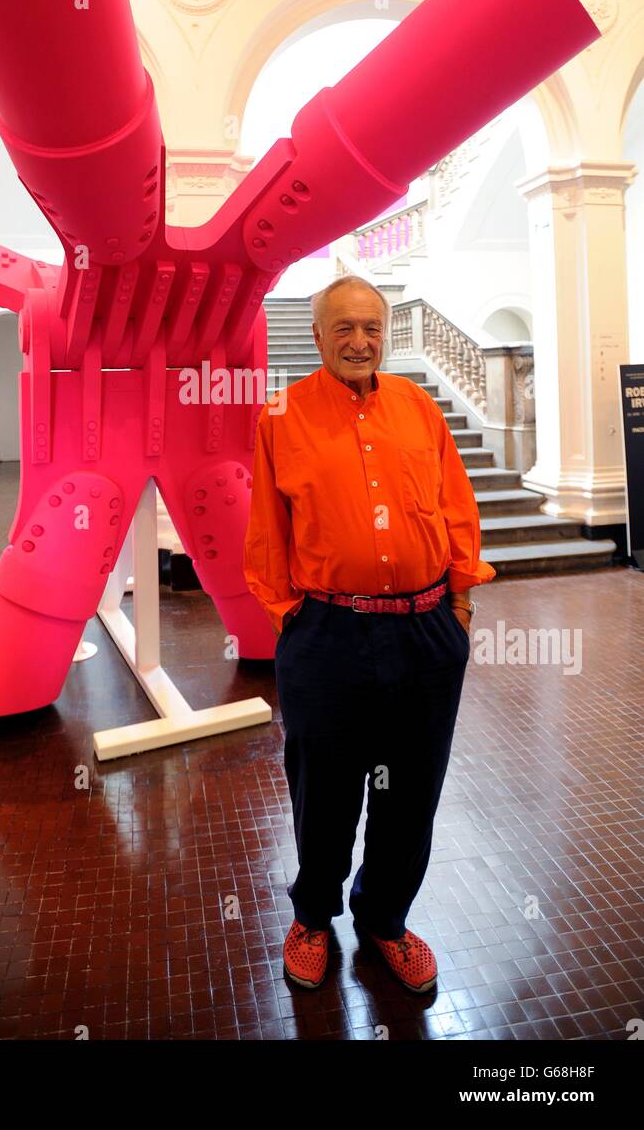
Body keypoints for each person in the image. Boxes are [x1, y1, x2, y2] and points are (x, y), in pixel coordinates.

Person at [243, 276, 496, 993]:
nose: (359, 342)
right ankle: (313, 918)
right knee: (323, 790)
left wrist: (461, 607)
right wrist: (290, 620)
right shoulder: (282, 416)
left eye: (371, 328)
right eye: (344, 329)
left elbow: (456, 509)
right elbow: (266, 533)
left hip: (425, 633)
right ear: (319, 337)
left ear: (385, 334)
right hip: (328, 634)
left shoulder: (418, 408)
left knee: (412, 790)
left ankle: (385, 918)